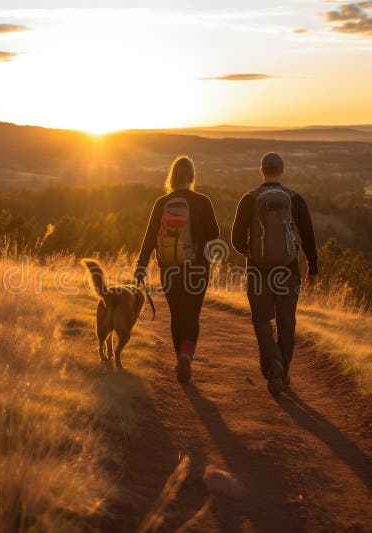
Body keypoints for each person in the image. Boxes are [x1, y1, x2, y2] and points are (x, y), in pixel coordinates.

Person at [231, 152, 318, 395]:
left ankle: (273, 365)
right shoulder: (295, 199)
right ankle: (283, 370)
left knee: (261, 319)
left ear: (262, 171)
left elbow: (236, 239)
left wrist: (253, 253)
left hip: (258, 270)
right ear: (281, 171)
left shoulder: (248, 199)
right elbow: (308, 236)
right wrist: (313, 267)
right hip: (288, 270)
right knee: (286, 320)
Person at [136, 155, 220, 383]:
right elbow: (215, 234)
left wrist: (141, 267)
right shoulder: (203, 201)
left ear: (172, 177)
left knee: (177, 315)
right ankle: (186, 354)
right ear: (192, 176)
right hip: (197, 268)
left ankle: (178, 358)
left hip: (170, 268)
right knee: (192, 314)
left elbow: (150, 238)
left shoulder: (162, 203)